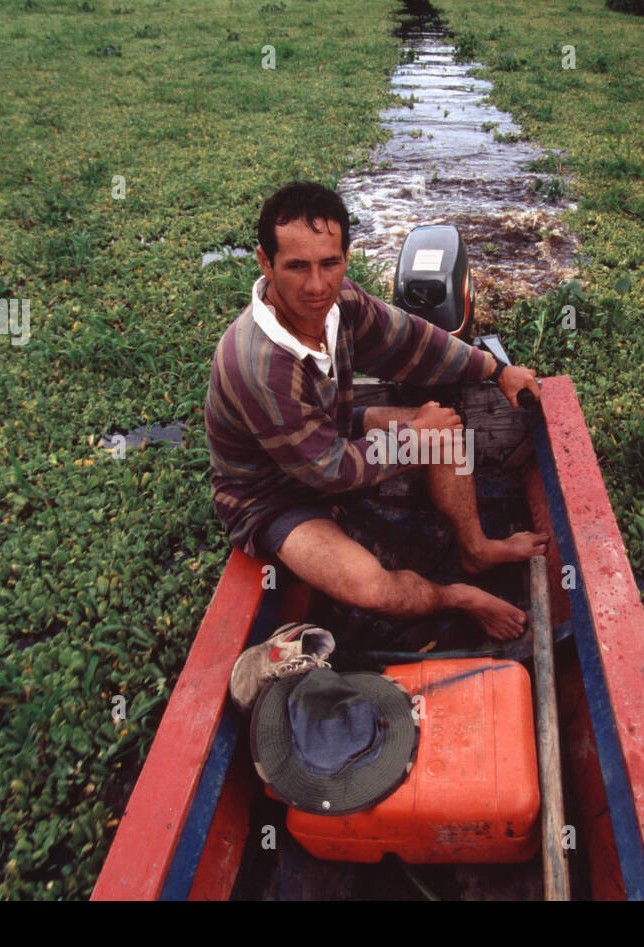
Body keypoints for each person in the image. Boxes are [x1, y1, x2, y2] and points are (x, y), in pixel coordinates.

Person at [205, 181, 547, 640]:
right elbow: (329, 471)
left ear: (347, 256)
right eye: (297, 266)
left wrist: (496, 370)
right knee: (374, 589)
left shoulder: (339, 303)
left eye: (330, 263)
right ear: (266, 263)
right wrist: (413, 440)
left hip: (327, 431)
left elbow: (411, 341)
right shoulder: (259, 364)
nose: (317, 285)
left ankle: (476, 550)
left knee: (445, 427)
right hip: (272, 495)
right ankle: (459, 596)